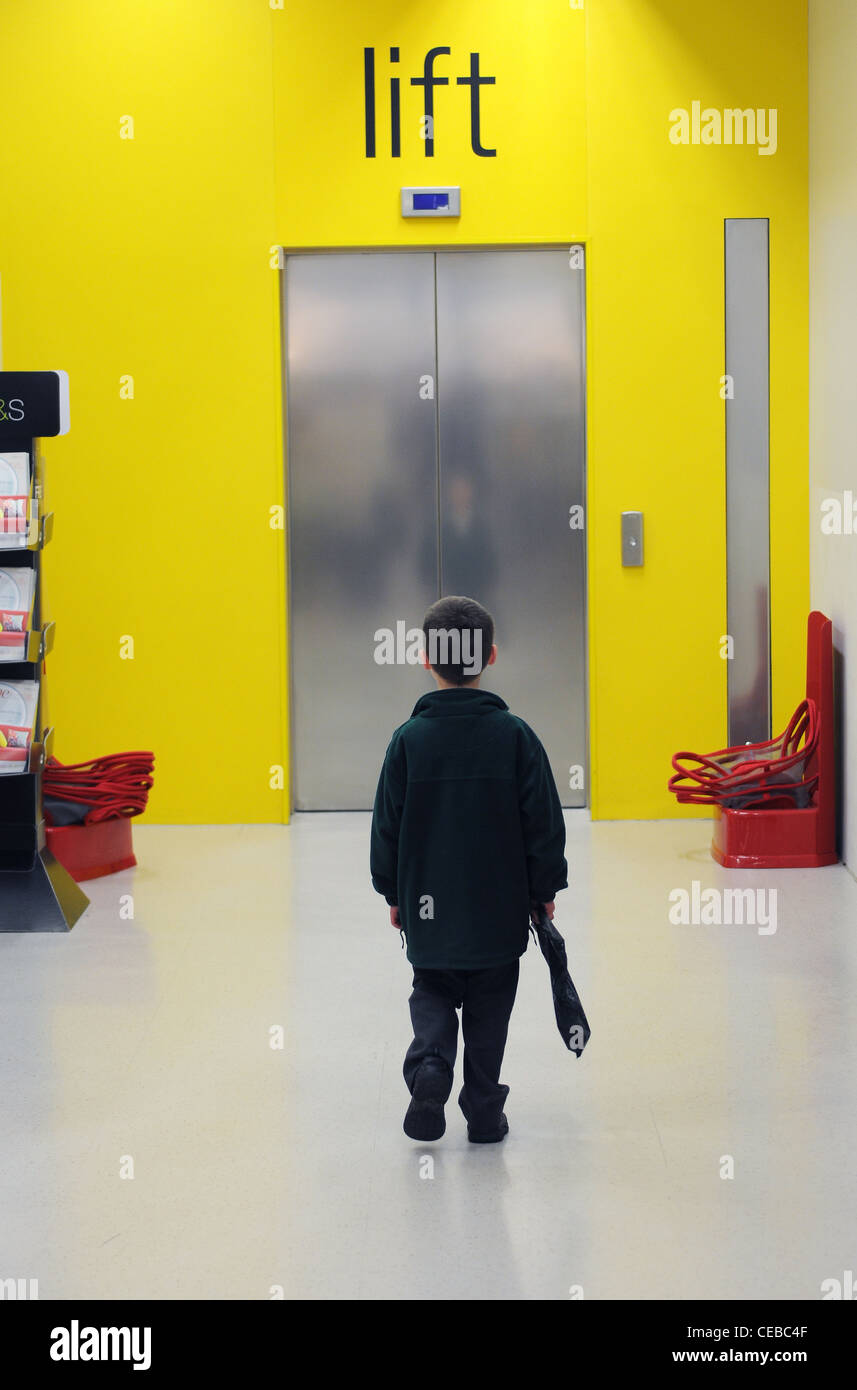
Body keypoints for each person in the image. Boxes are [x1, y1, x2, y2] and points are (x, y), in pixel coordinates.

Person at [370, 595, 567, 1144]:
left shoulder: (407, 741)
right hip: (498, 914)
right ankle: (483, 1109)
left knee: (431, 986)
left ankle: (431, 1065)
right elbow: (544, 824)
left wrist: (393, 893)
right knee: (491, 1004)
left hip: (428, 910)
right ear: (492, 657)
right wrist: (544, 889)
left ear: (425, 657)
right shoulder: (516, 737)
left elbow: (386, 828)